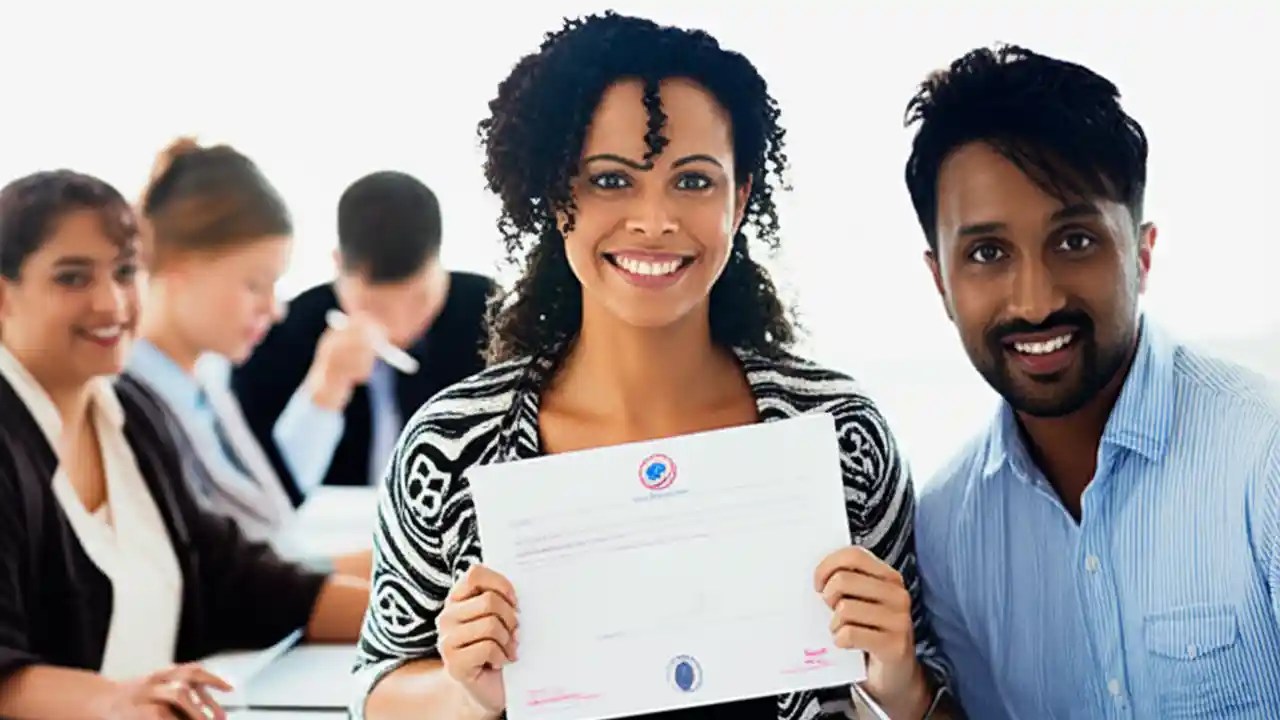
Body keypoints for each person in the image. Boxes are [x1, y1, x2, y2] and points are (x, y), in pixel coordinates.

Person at [352, 12, 953, 720]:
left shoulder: (839, 432)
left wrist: (897, 679)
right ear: (556, 196)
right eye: (610, 180)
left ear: (741, 199)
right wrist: (466, 693)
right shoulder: (451, 445)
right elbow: (375, 691)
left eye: (694, 182)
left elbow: (938, 696)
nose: (654, 219)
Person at [907, 45, 1280, 718]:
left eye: (1074, 241)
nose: (1035, 300)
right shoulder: (945, 526)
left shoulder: (1263, 457)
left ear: (1142, 251)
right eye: (987, 254)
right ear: (941, 282)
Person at [0, 170, 368, 719]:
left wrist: (426, 615)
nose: (112, 303)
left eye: (126, 273)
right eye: (73, 278)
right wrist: (116, 702)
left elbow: (235, 580)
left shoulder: (132, 415)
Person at [127, 138, 369, 577]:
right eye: (255, 285)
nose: (274, 310)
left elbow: (267, 516)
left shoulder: (204, 385)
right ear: (180, 272)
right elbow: (226, 576)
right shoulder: (130, 405)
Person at [230, 170, 495, 503]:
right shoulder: (279, 335)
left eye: (419, 299)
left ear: (440, 263)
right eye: (374, 306)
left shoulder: (497, 320)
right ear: (338, 266)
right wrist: (323, 391)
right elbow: (264, 497)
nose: (399, 326)